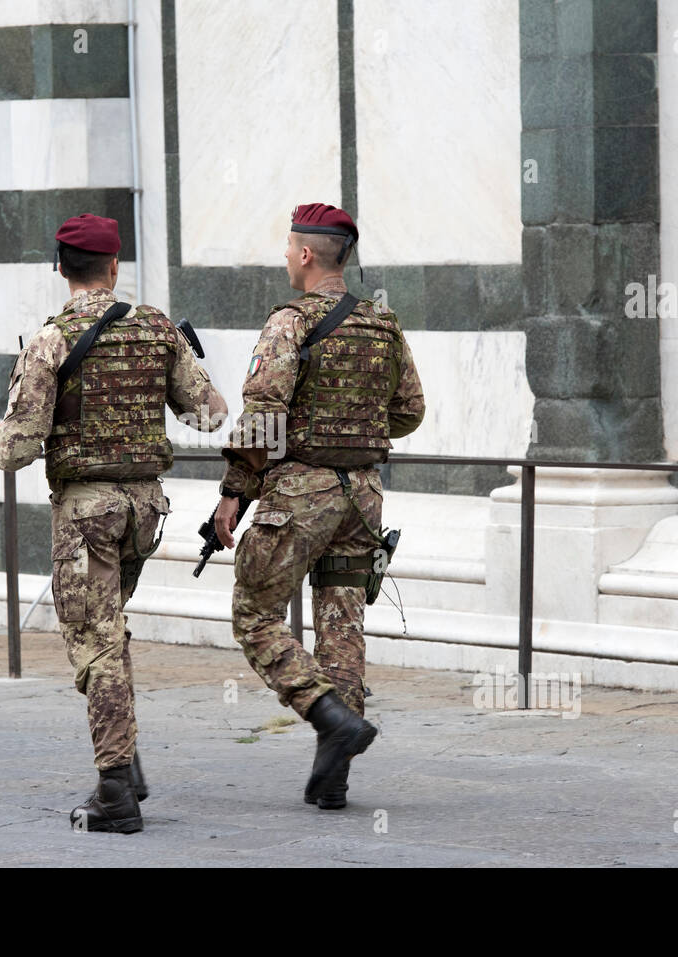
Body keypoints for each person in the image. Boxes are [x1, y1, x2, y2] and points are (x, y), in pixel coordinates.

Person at [0, 213, 227, 833]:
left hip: (86, 513)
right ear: (115, 266)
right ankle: (127, 758)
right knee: (108, 634)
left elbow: (16, 450)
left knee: (94, 640)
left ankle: (116, 792)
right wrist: (186, 356)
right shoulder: (157, 330)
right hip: (144, 511)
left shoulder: (50, 341)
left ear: (60, 267)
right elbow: (209, 416)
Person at [213, 202, 425, 810]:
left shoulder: (289, 323)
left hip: (299, 492)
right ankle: (335, 775)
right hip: (362, 496)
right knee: (342, 626)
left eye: (288, 247)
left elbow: (263, 418)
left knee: (254, 617)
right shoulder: (383, 323)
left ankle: (328, 717)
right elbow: (410, 410)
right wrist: (353, 427)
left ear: (307, 254)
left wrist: (234, 495)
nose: (285, 256)